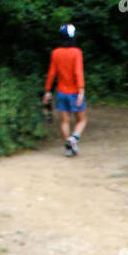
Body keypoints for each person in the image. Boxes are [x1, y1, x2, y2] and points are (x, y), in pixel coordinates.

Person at [42, 23, 87, 156]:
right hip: (74, 91)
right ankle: (74, 138)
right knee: (82, 120)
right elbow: (78, 72)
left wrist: (48, 91)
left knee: (65, 121)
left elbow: (51, 73)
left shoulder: (55, 53)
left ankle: (68, 147)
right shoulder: (76, 52)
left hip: (61, 92)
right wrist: (81, 90)